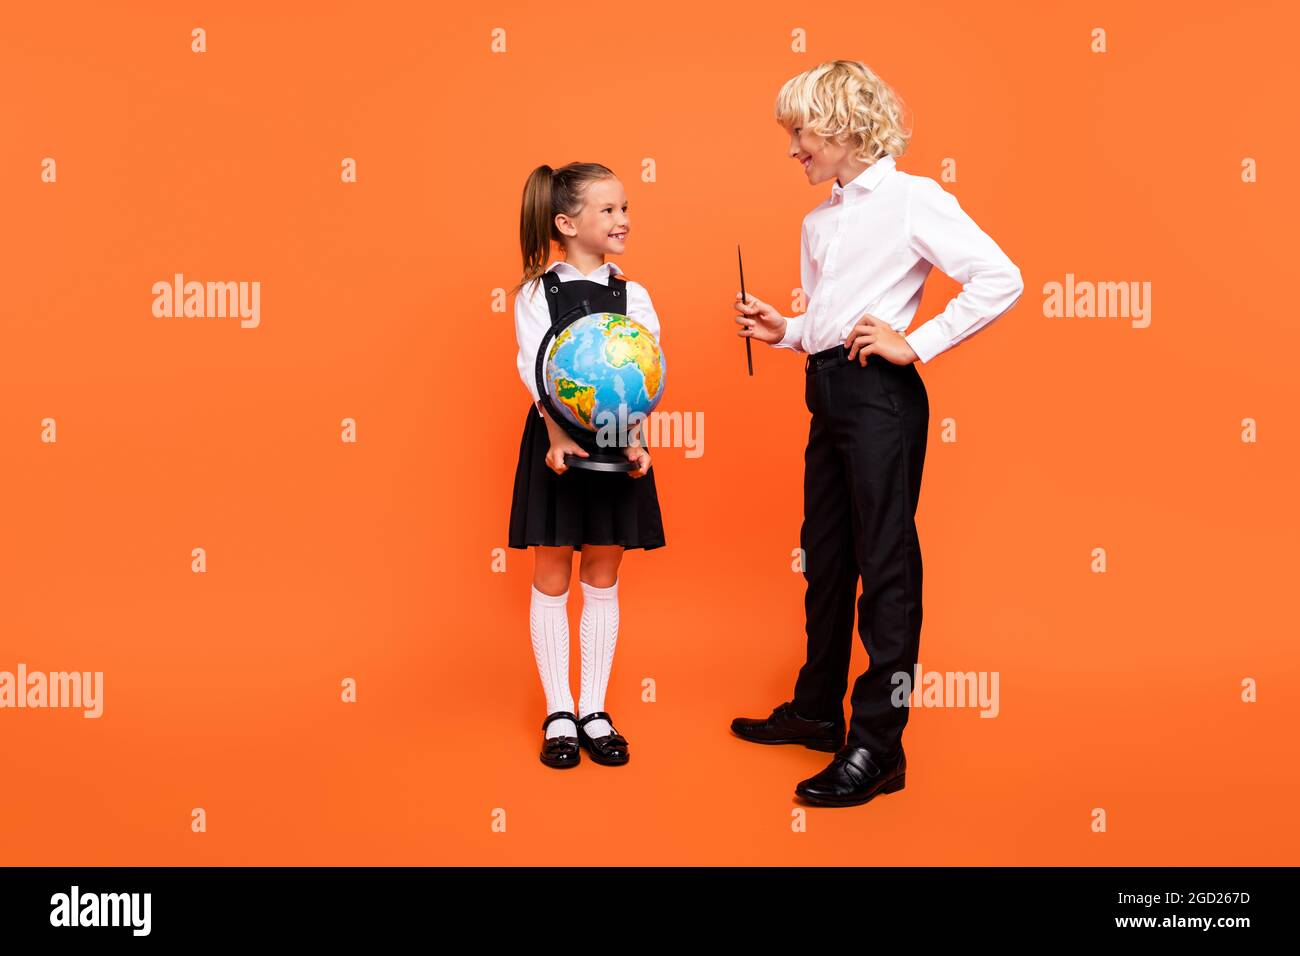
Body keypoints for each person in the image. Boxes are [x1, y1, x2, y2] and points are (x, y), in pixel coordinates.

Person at [730, 60, 1024, 807]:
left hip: (880, 397)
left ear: (837, 126)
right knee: (827, 558)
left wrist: (916, 343)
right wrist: (788, 329)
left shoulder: (912, 198)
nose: (792, 148)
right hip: (825, 388)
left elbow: (1000, 277)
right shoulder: (818, 219)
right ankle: (819, 711)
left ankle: (878, 746)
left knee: (885, 564)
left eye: (798, 133)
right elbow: (832, 315)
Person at [508, 162, 666, 769]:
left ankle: (595, 709)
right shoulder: (534, 293)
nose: (623, 220)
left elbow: (646, 372)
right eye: (608, 210)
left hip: (615, 439)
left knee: (603, 571)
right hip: (557, 442)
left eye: (625, 208)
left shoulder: (636, 296)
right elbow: (534, 368)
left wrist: (637, 438)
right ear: (567, 222)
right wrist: (554, 437)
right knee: (553, 573)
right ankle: (559, 711)